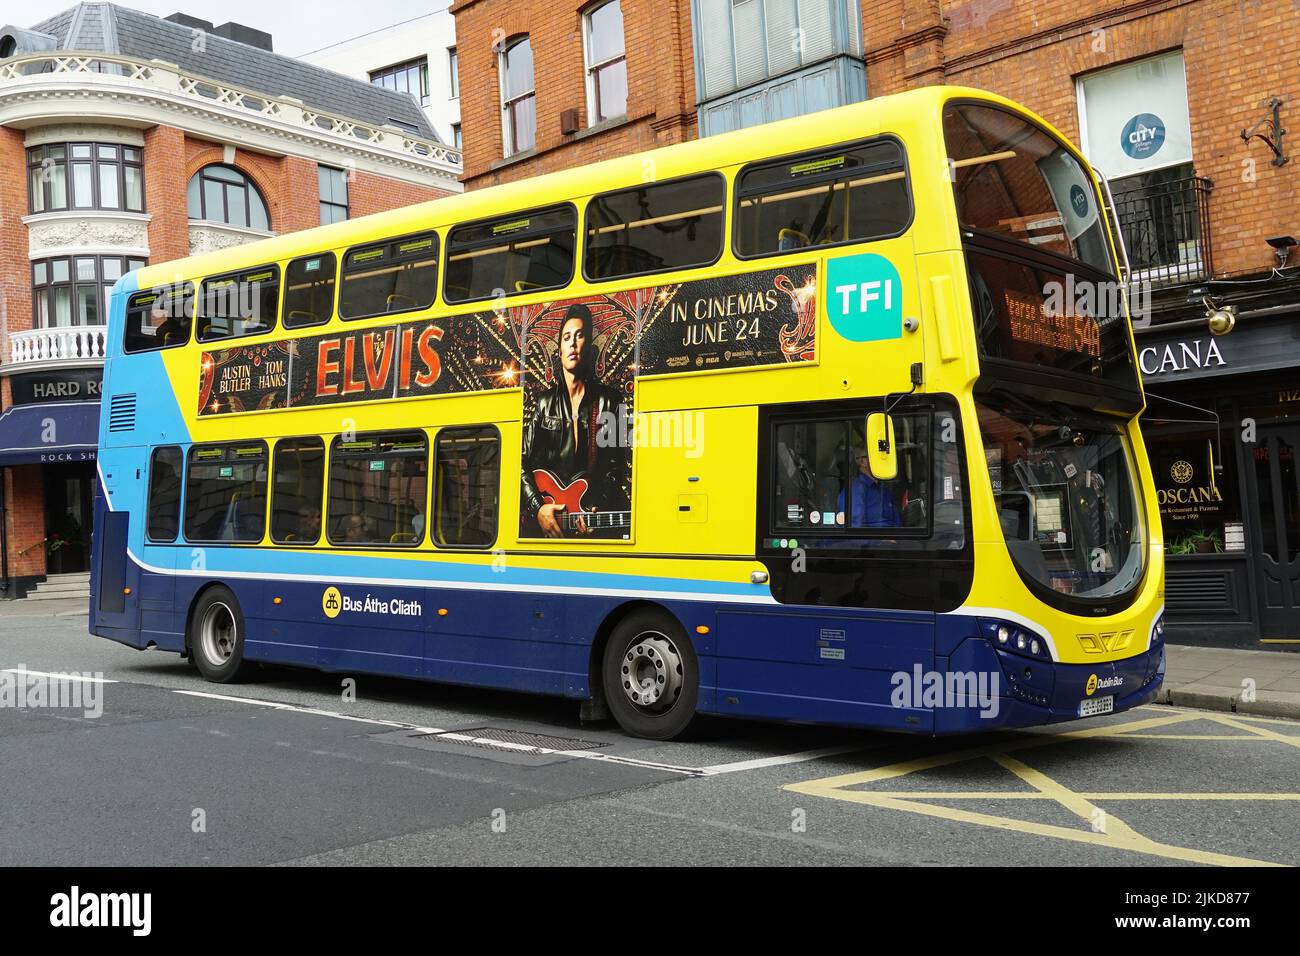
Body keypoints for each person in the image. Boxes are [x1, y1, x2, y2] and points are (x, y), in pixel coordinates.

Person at [520, 303, 630, 538]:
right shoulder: (544, 403)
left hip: (587, 514)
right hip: (548, 524)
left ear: (588, 347)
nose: (572, 343)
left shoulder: (610, 401)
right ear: (559, 348)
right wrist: (538, 508)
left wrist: (597, 506)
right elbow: (521, 463)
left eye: (579, 336)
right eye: (566, 337)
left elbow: (616, 466)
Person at [840, 444, 901, 529]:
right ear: (862, 461)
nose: (882, 460)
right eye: (875, 456)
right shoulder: (856, 490)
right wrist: (880, 541)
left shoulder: (884, 489)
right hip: (873, 540)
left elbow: (897, 522)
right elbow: (854, 530)